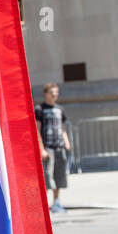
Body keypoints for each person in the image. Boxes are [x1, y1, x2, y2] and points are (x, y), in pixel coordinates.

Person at [36, 83, 72, 213]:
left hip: (59, 146)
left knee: (59, 175)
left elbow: (62, 128)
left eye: (56, 92)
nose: (54, 95)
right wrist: (42, 149)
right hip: (48, 147)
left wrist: (67, 142)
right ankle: (44, 205)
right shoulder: (40, 109)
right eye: (52, 92)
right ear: (46, 94)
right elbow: (37, 130)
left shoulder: (60, 109)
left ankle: (56, 202)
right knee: (47, 175)